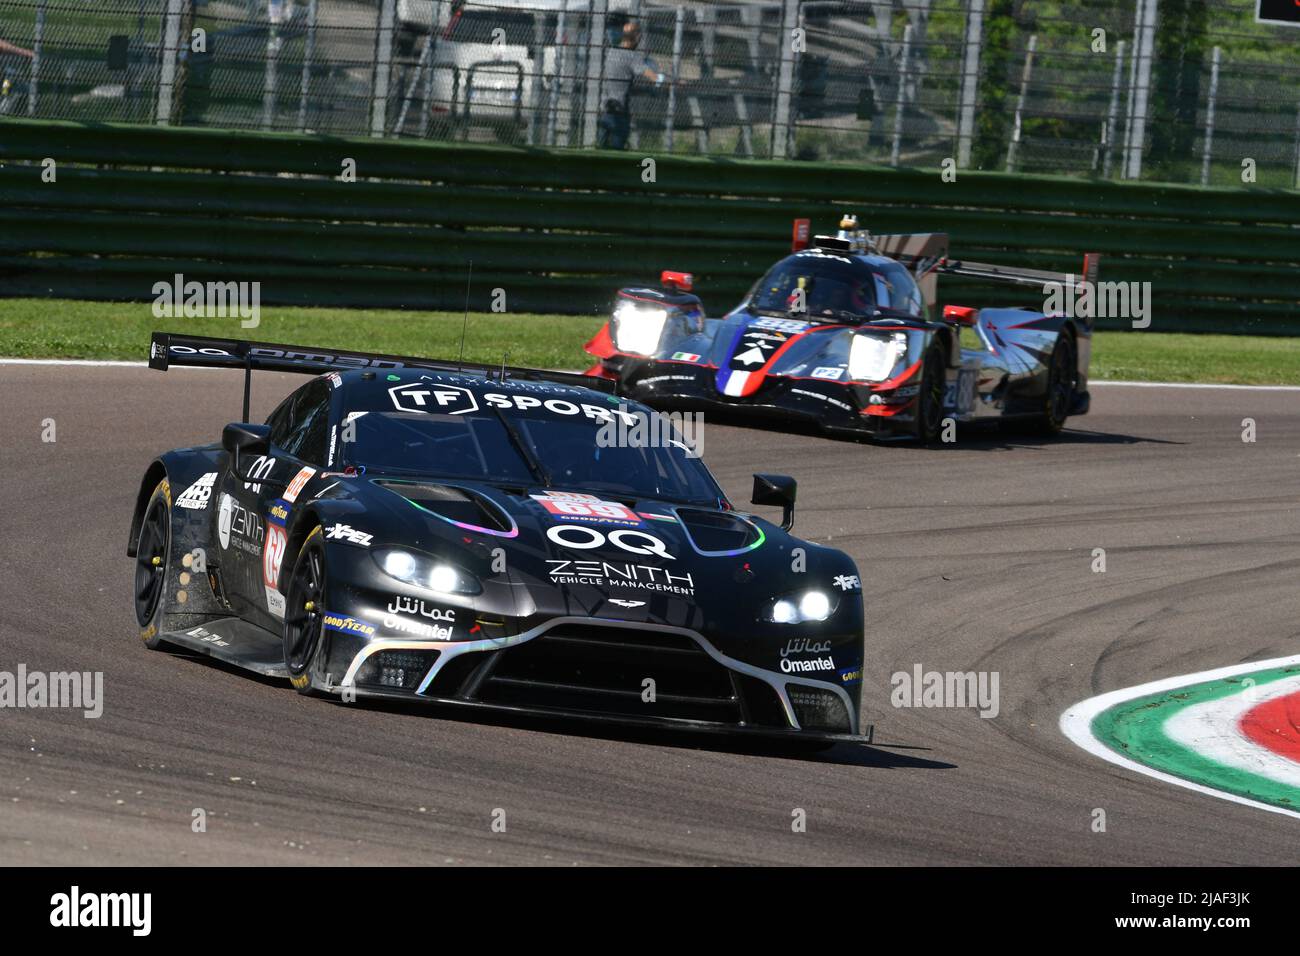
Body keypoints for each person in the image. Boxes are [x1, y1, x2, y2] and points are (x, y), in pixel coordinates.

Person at [597, 21, 663, 150]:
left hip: (605, 111)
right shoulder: (632, 57)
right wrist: (669, 81)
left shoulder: (611, 52)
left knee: (601, 148)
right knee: (617, 151)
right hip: (620, 113)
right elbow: (653, 76)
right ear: (637, 37)